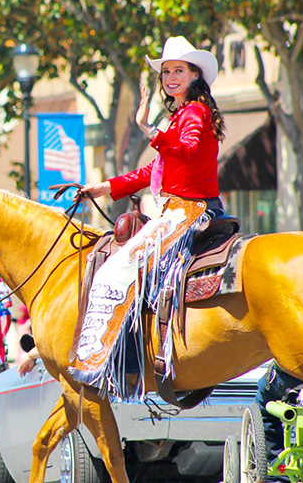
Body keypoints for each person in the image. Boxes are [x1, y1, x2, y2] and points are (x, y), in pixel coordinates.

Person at [70, 36, 226, 396]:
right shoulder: (184, 114)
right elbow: (153, 171)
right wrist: (104, 188)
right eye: (167, 71)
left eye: (179, 70)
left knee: (117, 269)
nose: (171, 77)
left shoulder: (195, 113)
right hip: (182, 208)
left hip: (188, 211)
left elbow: (185, 153)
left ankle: (103, 361)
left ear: (195, 76)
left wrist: (148, 129)